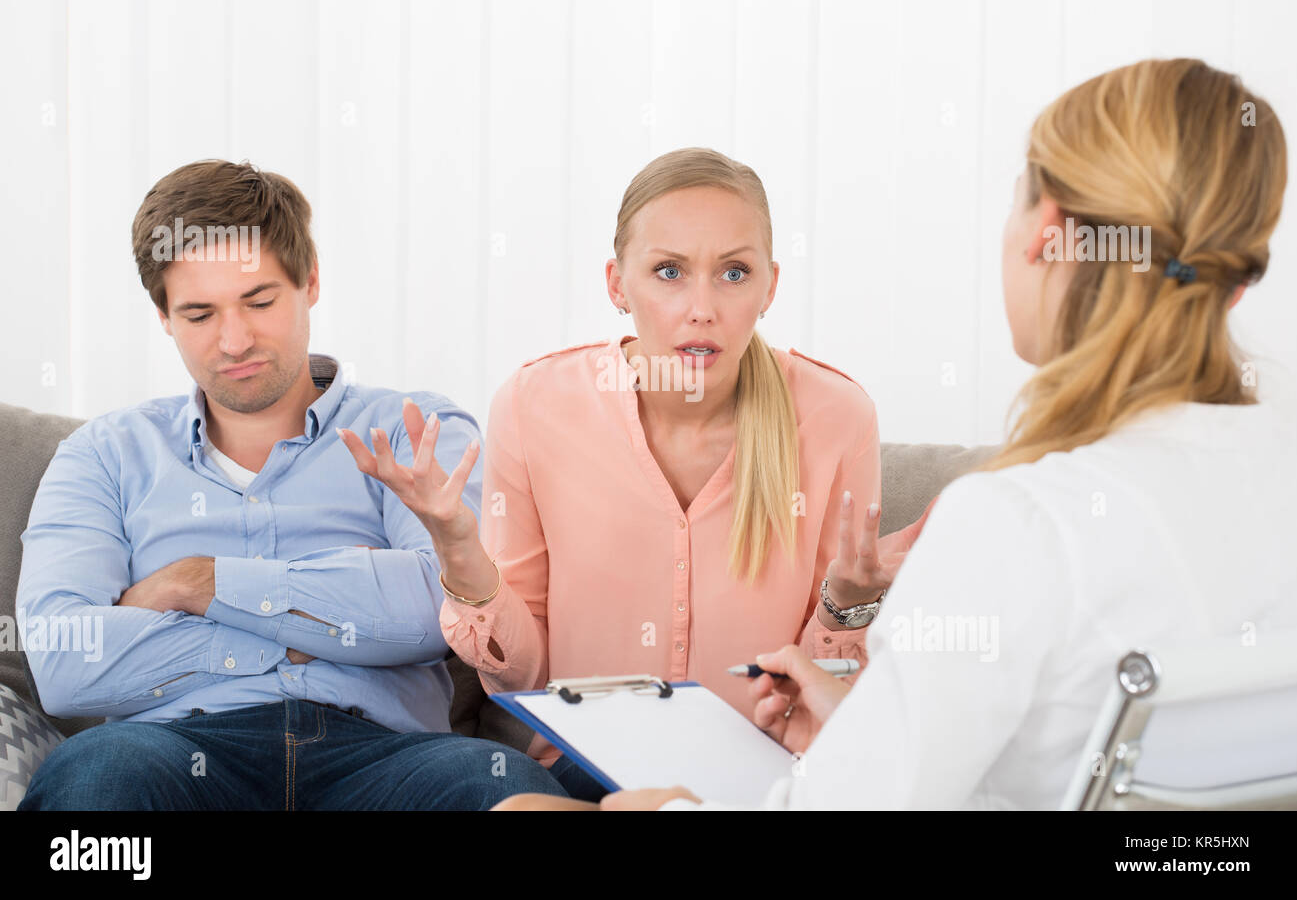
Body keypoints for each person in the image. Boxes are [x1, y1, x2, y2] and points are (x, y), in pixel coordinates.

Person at [498, 57, 1297, 811]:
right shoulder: (1277, 479)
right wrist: (862, 721)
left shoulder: (1015, 524)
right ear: (1233, 278)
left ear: (1045, 231)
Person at [341, 147, 929, 801]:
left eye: (734, 272)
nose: (702, 307)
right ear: (617, 284)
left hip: (763, 778)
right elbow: (522, 675)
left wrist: (848, 602)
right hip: (587, 767)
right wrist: (457, 547)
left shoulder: (837, 416)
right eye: (670, 271)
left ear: (770, 285)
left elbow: (825, 692)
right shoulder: (535, 405)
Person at [17, 159, 565, 810]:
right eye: (199, 313)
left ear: (309, 281)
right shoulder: (102, 455)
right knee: (95, 783)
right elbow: (63, 659)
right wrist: (323, 623)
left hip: (387, 753)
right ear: (163, 316)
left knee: (502, 785)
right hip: (171, 750)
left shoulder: (412, 425)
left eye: (259, 300)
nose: (235, 339)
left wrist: (194, 583)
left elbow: (430, 612)